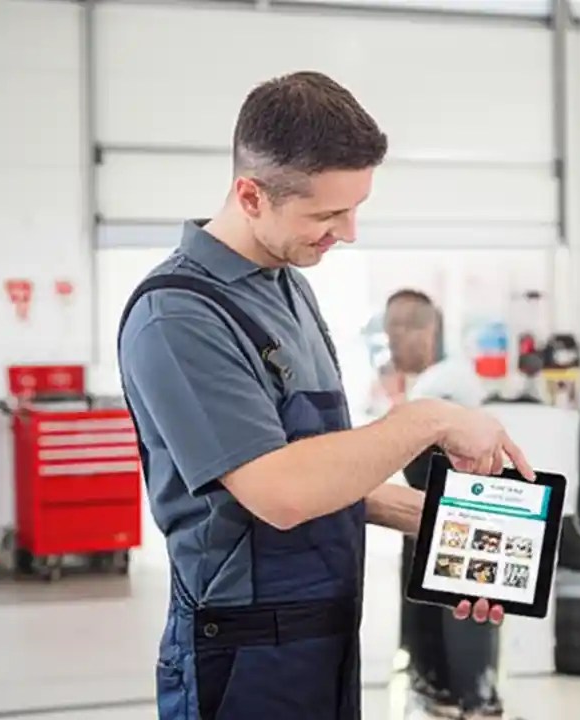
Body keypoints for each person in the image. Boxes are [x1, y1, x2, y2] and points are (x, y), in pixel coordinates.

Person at [116, 71, 534, 720]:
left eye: (355, 207)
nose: (349, 231)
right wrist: (426, 419)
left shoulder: (286, 284)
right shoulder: (177, 317)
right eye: (328, 214)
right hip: (244, 660)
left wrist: (442, 526)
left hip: (323, 638)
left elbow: (313, 464)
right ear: (251, 196)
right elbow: (282, 492)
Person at [381, 289, 504, 719]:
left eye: (400, 330)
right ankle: (445, 692)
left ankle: (472, 697)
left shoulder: (447, 383)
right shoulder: (430, 384)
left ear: (427, 330)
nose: (393, 343)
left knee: (460, 609)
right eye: (388, 331)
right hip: (433, 524)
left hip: (458, 526)